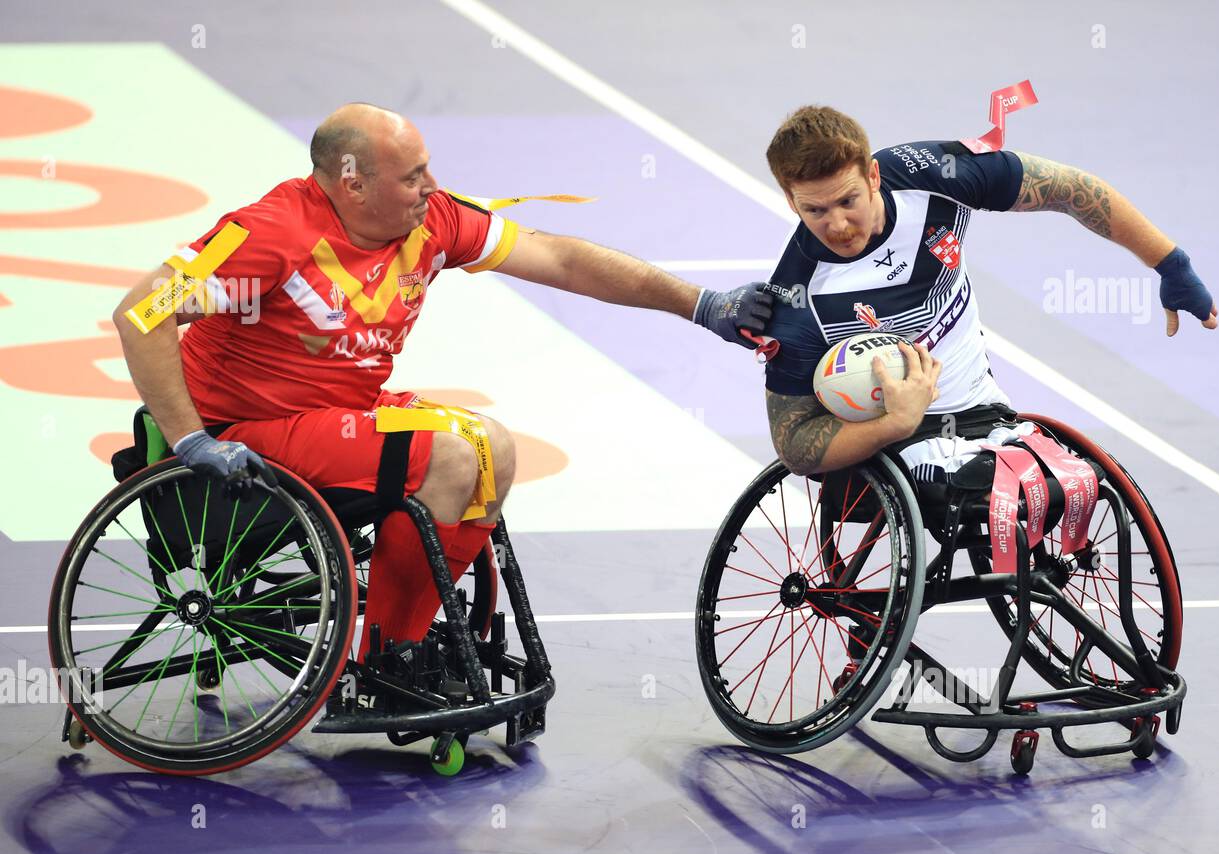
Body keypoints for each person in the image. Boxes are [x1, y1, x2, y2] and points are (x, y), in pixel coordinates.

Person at [111, 102, 772, 664]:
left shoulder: (432, 222)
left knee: (494, 449)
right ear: (353, 185)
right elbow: (142, 315)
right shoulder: (272, 233)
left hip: (336, 419)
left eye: (427, 167)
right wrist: (190, 438)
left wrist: (700, 304)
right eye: (412, 175)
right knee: (447, 457)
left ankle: (406, 633)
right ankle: (393, 659)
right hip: (241, 436)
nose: (432, 184)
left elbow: (562, 259)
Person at [758, 106, 1218, 483]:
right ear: (789, 201)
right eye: (814, 210)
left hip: (980, 410)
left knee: (1071, 486)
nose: (836, 225)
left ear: (874, 177)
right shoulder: (796, 292)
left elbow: (1069, 189)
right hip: (885, 438)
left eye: (847, 201)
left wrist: (1169, 262)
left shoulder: (939, 174)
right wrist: (893, 424)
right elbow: (796, 445)